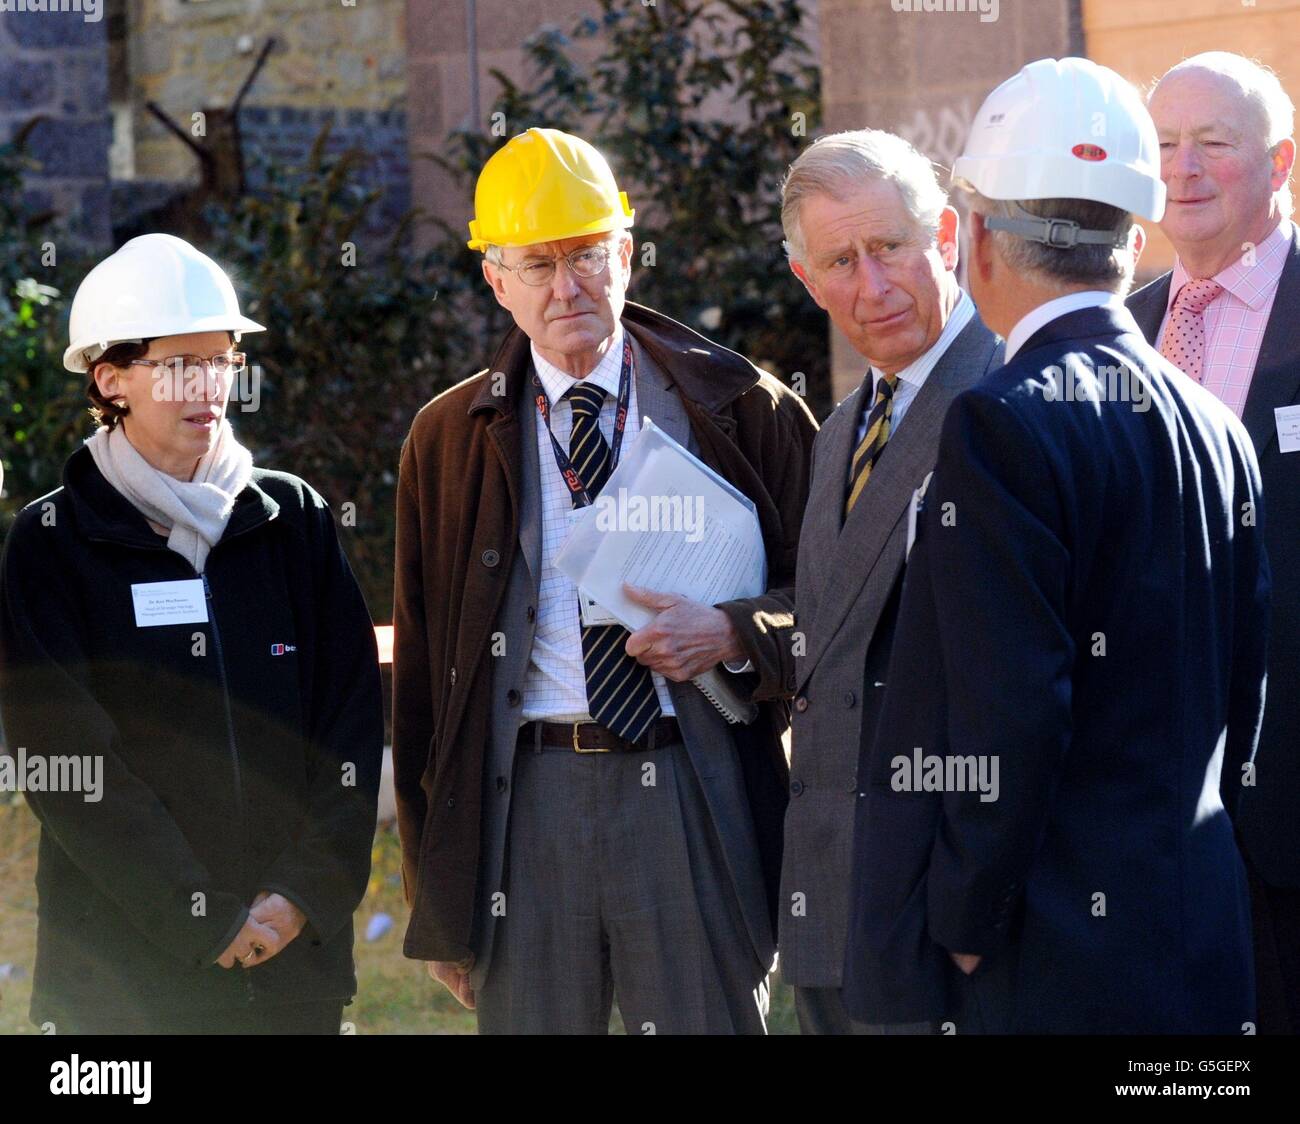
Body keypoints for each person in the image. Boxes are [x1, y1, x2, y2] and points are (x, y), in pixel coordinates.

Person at [847, 57, 1269, 1033]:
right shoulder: (1218, 426)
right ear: (1129, 239)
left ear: (983, 238)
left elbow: (1011, 716)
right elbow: (1240, 708)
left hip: (1053, 960)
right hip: (1199, 937)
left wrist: (961, 919)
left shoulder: (1002, 424)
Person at [391, 127, 817, 1033]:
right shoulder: (447, 438)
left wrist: (740, 632)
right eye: (537, 265)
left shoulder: (741, 408)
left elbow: (837, 608)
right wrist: (443, 902)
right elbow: (425, 682)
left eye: (586, 255)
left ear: (626, 253)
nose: (567, 286)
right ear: (496, 280)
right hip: (526, 808)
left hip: (693, 787)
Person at [0, 233, 384, 1034]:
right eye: (179, 364)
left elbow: (349, 728)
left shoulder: (295, 521)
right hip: (124, 986)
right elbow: (68, 765)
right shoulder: (51, 544)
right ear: (111, 380)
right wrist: (198, 916)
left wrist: (303, 896)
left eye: (222, 360)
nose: (208, 386)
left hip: (293, 969)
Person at [773, 129, 1001, 1034]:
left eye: (890, 247)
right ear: (806, 280)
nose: (871, 288)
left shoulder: (1011, 402)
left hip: (943, 920)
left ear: (946, 233)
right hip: (832, 909)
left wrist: (974, 902)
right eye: (840, 261)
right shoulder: (836, 435)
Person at [1129, 51, 1300, 1034]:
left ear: (1276, 165)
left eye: (1212, 144)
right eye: (1161, 146)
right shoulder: (1121, 326)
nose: (1181, 169)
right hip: (1148, 817)